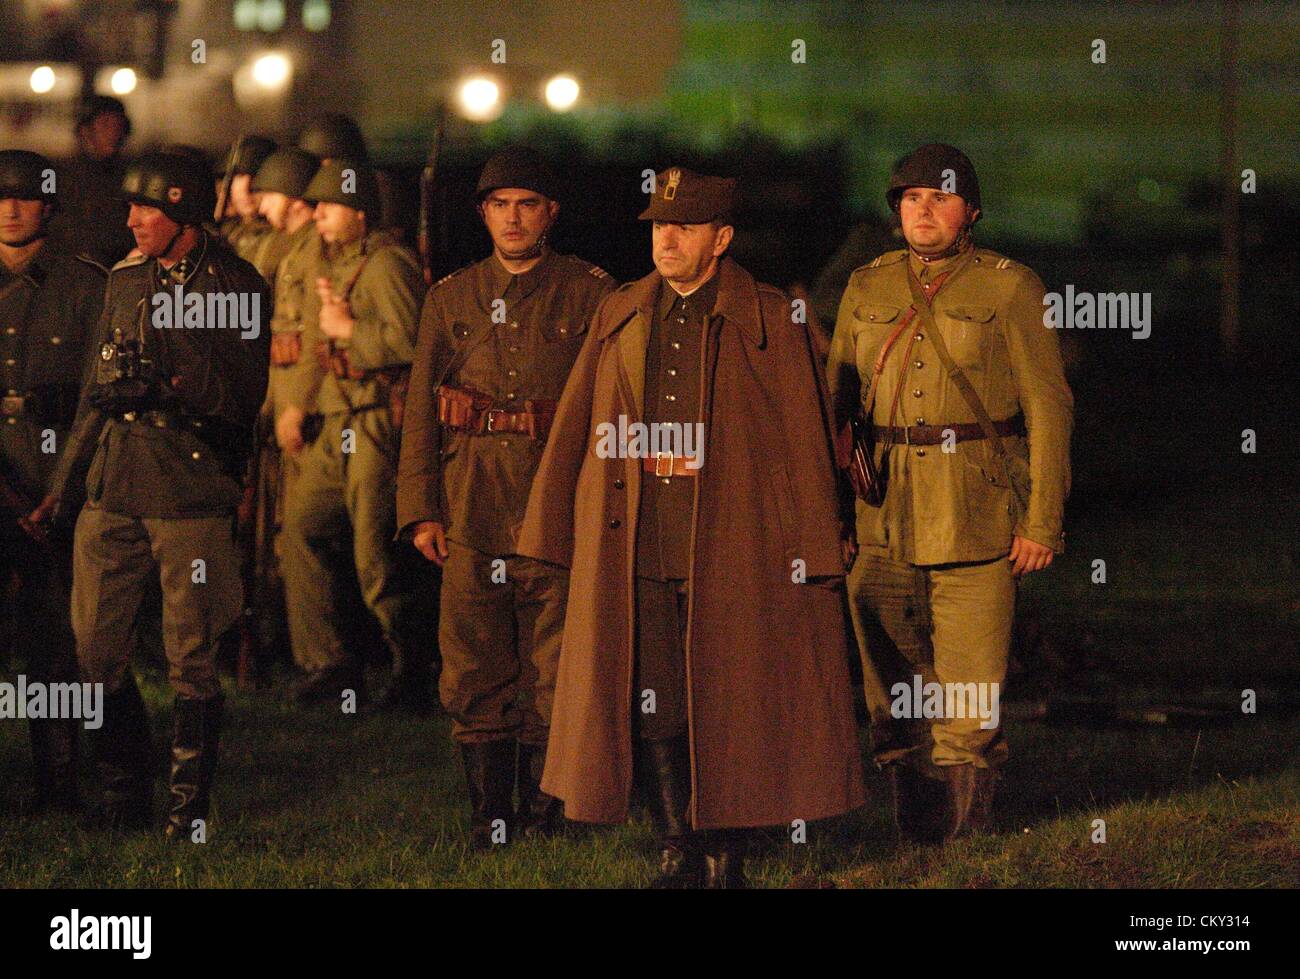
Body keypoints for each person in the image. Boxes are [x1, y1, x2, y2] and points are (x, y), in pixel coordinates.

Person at [516, 167, 865, 886]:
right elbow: (578, 421)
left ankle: (725, 850)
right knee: (655, 698)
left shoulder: (767, 316)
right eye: (657, 226)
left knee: (732, 695)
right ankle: (677, 840)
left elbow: (804, 436)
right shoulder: (622, 310)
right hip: (637, 539)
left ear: (722, 238)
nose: (665, 238)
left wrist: (815, 544)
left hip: (735, 540)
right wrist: (549, 526)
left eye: (682, 227)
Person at [826, 143, 1073, 842]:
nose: (923, 209)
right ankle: (917, 838)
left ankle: (964, 849)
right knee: (891, 690)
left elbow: (1049, 406)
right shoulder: (866, 286)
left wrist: (1042, 518)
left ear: (970, 210)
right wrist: (833, 513)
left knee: (968, 691)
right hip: (881, 511)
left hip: (976, 507)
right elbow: (835, 405)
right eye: (909, 198)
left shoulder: (1009, 286)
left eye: (939, 196)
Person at [40, 150, 271, 836]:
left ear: (183, 212)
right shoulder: (126, 279)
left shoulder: (237, 285)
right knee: (95, 649)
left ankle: (185, 812)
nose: (134, 220)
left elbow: (242, 396)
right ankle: (122, 793)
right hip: (115, 481)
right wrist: (62, 488)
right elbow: (94, 393)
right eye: (131, 209)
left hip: (189, 488)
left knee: (191, 657)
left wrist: (171, 385)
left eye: (149, 209)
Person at [397, 147, 615, 848]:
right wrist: (419, 508)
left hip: (556, 506)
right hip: (471, 505)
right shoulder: (451, 296)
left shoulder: (590, 293)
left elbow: (612, 408)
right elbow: (421, 412)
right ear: (483, 213)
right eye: (499, 204)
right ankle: (490, 815)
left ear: (551, 213)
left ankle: (548, 812)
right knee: (471, 666)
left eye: (527, 204)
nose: (512, 218)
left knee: (556, 666)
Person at [276, 158, 433, 711]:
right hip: (335, 422)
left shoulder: (388, 265)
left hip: (372, 421)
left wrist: (351, 331)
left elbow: (416, 345)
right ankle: (331, 664)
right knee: (301, 528)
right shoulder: (339, 265)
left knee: (378, 556)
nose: (317, 214)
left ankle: (413, 667)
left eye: (329, 206)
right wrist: (298, 405)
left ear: (360, 212)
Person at [0, 149, 105, 813]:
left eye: (23, 197)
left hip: (55, 481)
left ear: (49, 206)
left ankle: (59, 779)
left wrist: (60, 490)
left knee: (54, 641)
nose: (9, 208)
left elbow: (99, 397)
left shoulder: (86, 284)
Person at [52, 95, 135, 266]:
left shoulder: (133, 176)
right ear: (85, 130)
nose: (113, 132)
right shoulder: (62, 177)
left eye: (117, 125)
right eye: (105, 124)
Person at [216, 135, 278, 280]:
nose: (246, 189)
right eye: (240, 176)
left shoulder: (280, 238)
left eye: (255, 176)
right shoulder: (229, 232)